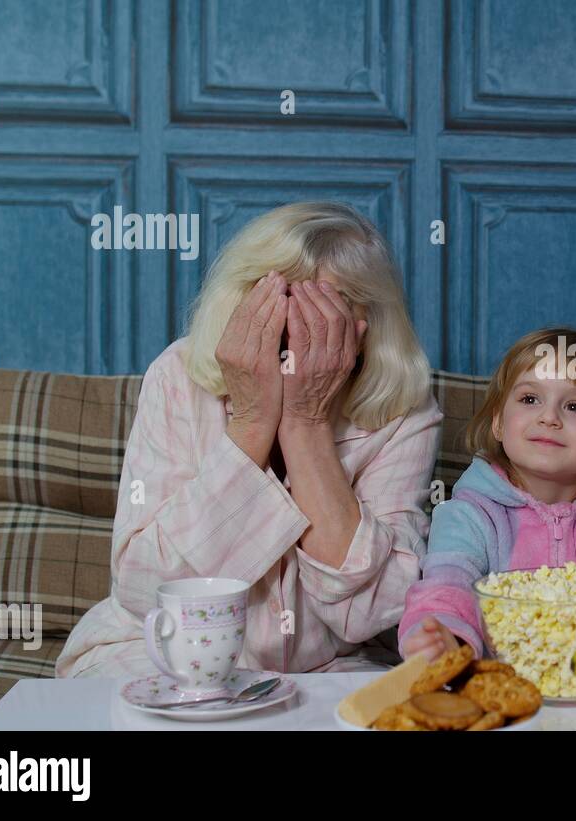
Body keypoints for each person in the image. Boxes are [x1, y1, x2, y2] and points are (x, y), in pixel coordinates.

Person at [56, 202, 442, 677]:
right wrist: (254, 423)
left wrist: (307, 424)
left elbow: (373, 611)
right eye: (279, 301)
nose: (297, 329)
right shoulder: (177, 376)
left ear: (368, 327)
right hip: (155, 648)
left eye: (325, 309)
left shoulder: (405, 406)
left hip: (328, 664)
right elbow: (143, 588)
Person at [399, 327, 576, 660]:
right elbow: (449, 582)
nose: (549, 417)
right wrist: (445, 636)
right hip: (498, 682)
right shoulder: (467, 514)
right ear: (498, 423)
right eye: (530, 399)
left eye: (575, 407)